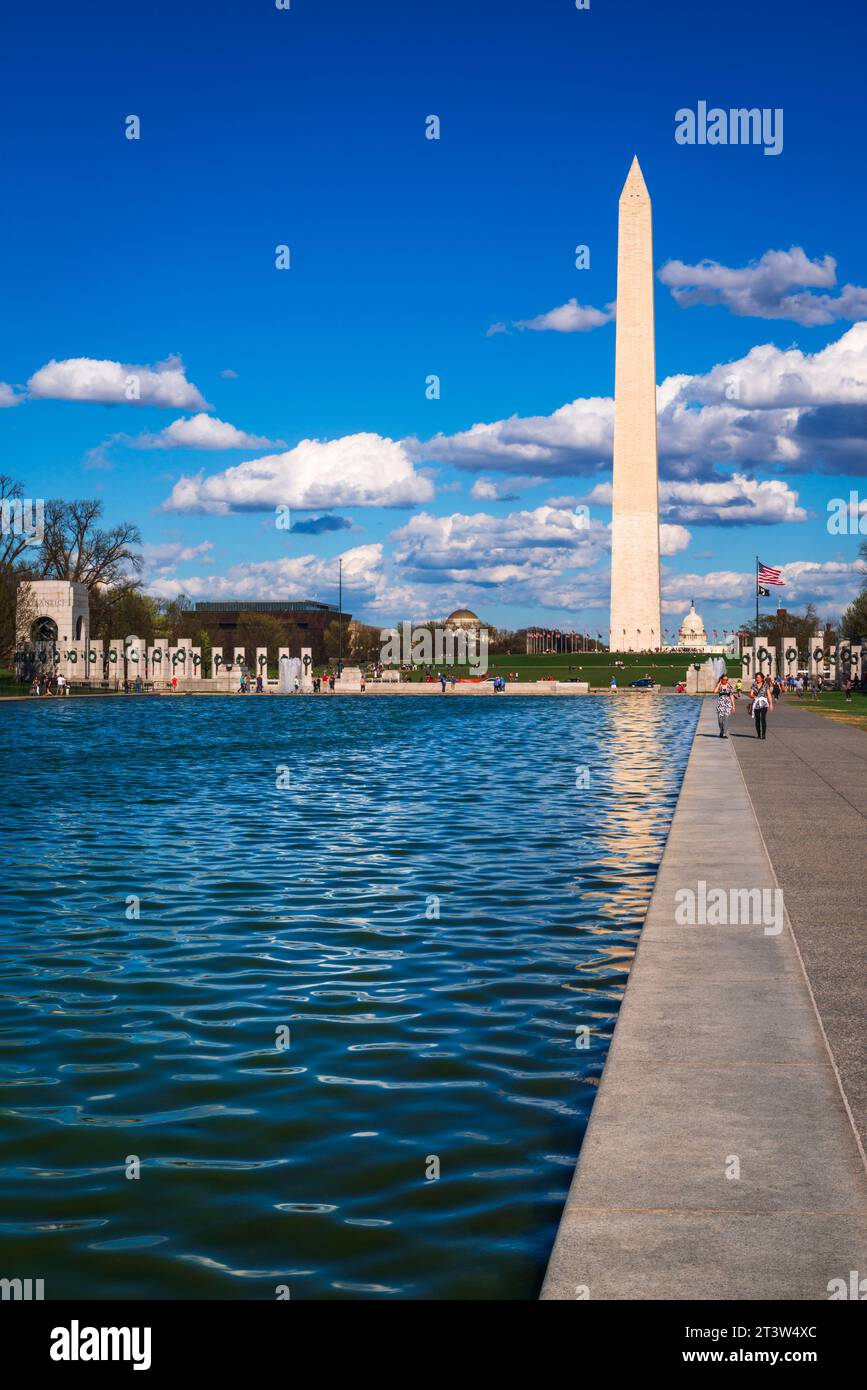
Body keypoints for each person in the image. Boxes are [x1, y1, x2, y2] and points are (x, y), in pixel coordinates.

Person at [749, 671, 772, 739]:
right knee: (757, 719)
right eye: (756, 677)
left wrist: (771, 704)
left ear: (762, 678)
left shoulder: (765, 685)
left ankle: (763, 734)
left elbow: (769, 694)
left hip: (764, 704)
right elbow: (751, 694)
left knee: (763, 718)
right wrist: (753, 697)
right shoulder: (754, 684)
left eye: (759, 677)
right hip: (756, 704)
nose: (757, 678)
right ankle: (759, 734)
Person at [714, 672, 736, 738]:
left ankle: (724, 733)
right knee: (720, 720)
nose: (725, 681)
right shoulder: (719, 685)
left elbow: (731, 696)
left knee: (726, 718)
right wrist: (719, 683)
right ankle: (721, 730)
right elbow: (715, 691)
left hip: (727, 703)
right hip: (720, 704)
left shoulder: (729, 686)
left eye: (726, 680)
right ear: (721, 679)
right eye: (724, 679)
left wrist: (733, 705)